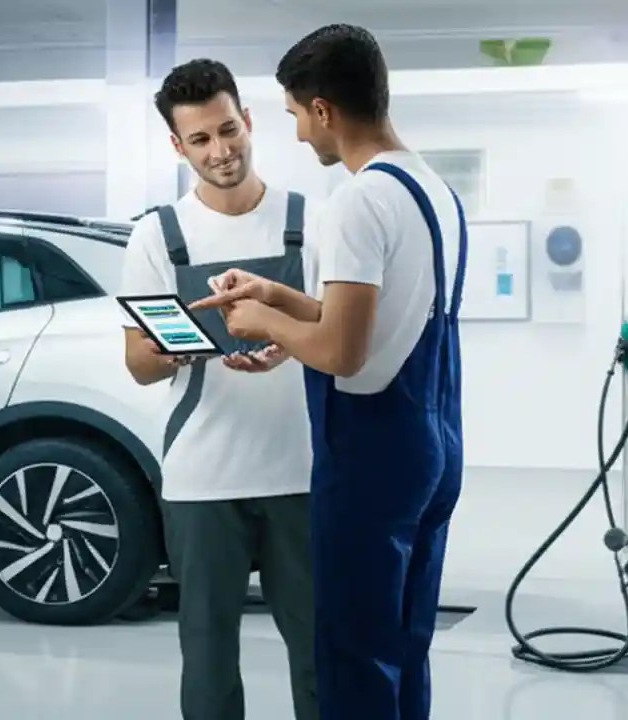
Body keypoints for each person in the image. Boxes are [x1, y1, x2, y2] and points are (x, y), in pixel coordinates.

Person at [191, 25, 468, 720]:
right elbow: (378, 317)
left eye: (292, 116)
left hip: (371, 451)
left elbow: (344, 353)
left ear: (322, 110)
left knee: (350, 653)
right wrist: (277, 297)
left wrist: (259, 325)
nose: (296, 134)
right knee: (402, 645)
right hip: (432, 438)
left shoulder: (356, 198)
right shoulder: (431, 188)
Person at [118, 58, 319, 720]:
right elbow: (137, 366)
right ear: (178, 147)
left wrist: (285, 342)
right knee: (207, 654)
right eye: (200, 140)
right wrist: (172, 352)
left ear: (249, 121)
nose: (221, 150)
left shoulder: (309, 222)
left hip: (303, 472)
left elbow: (341, 337)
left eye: (228, 130)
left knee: (320, 647)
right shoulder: (157, 237)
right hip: (203, 479)